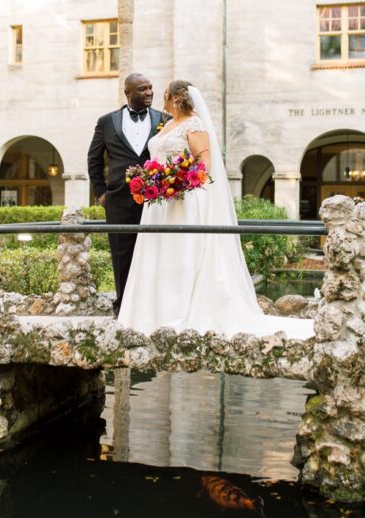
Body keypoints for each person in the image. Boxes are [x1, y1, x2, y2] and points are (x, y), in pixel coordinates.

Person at [117, 80, 313, 338]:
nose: (160, 99)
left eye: (164, 95)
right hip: (159, 204)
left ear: (175, 98)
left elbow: (204, 164)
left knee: (181, 254)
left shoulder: (194, 124)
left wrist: (172, 182)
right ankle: (152, 313)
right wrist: (150, 179)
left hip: (181, 201)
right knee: (158, 254)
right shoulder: (168, 124)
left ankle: (179, 311)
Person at [87, 73, 168, 315]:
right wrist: (101, 193)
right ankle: (123, 305)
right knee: (121, 253)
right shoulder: (106, 122)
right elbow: (94, 159)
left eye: (151, 88)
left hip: (156, 200)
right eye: (143, 89)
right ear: (128, 93)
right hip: (118, 200)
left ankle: (152, 305)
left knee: (155, 250)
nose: (149, 92)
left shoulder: (164, 119)